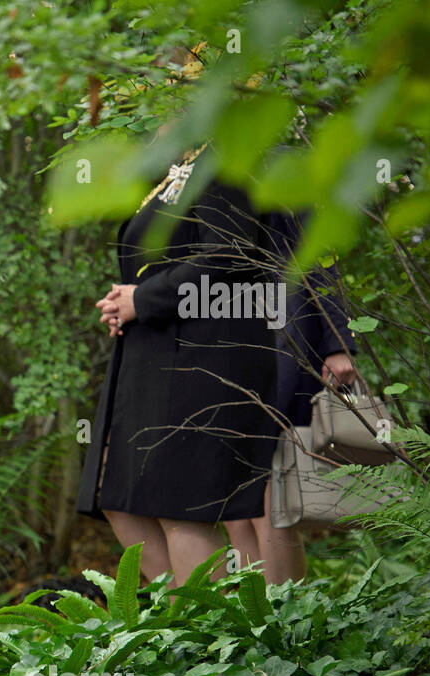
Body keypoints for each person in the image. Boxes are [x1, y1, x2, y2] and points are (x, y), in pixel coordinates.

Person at [75, 140, 279, 585]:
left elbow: (229, 252)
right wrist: (127, 302)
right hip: (155, 354)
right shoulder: (180, 166)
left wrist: (145, 299)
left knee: (180, 510)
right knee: (119, 494)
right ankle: (183, 625)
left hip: (200, 360)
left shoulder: (224, 159)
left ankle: (208, 636)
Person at [223, 206, 358, 584]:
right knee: (235, 493)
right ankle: (251, 619)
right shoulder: (200, 169)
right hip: (225, 336)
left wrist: (339, 340)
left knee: (271, 491)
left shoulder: (275, 160)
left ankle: (286, 619)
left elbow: (316, 245)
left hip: (284, 334)